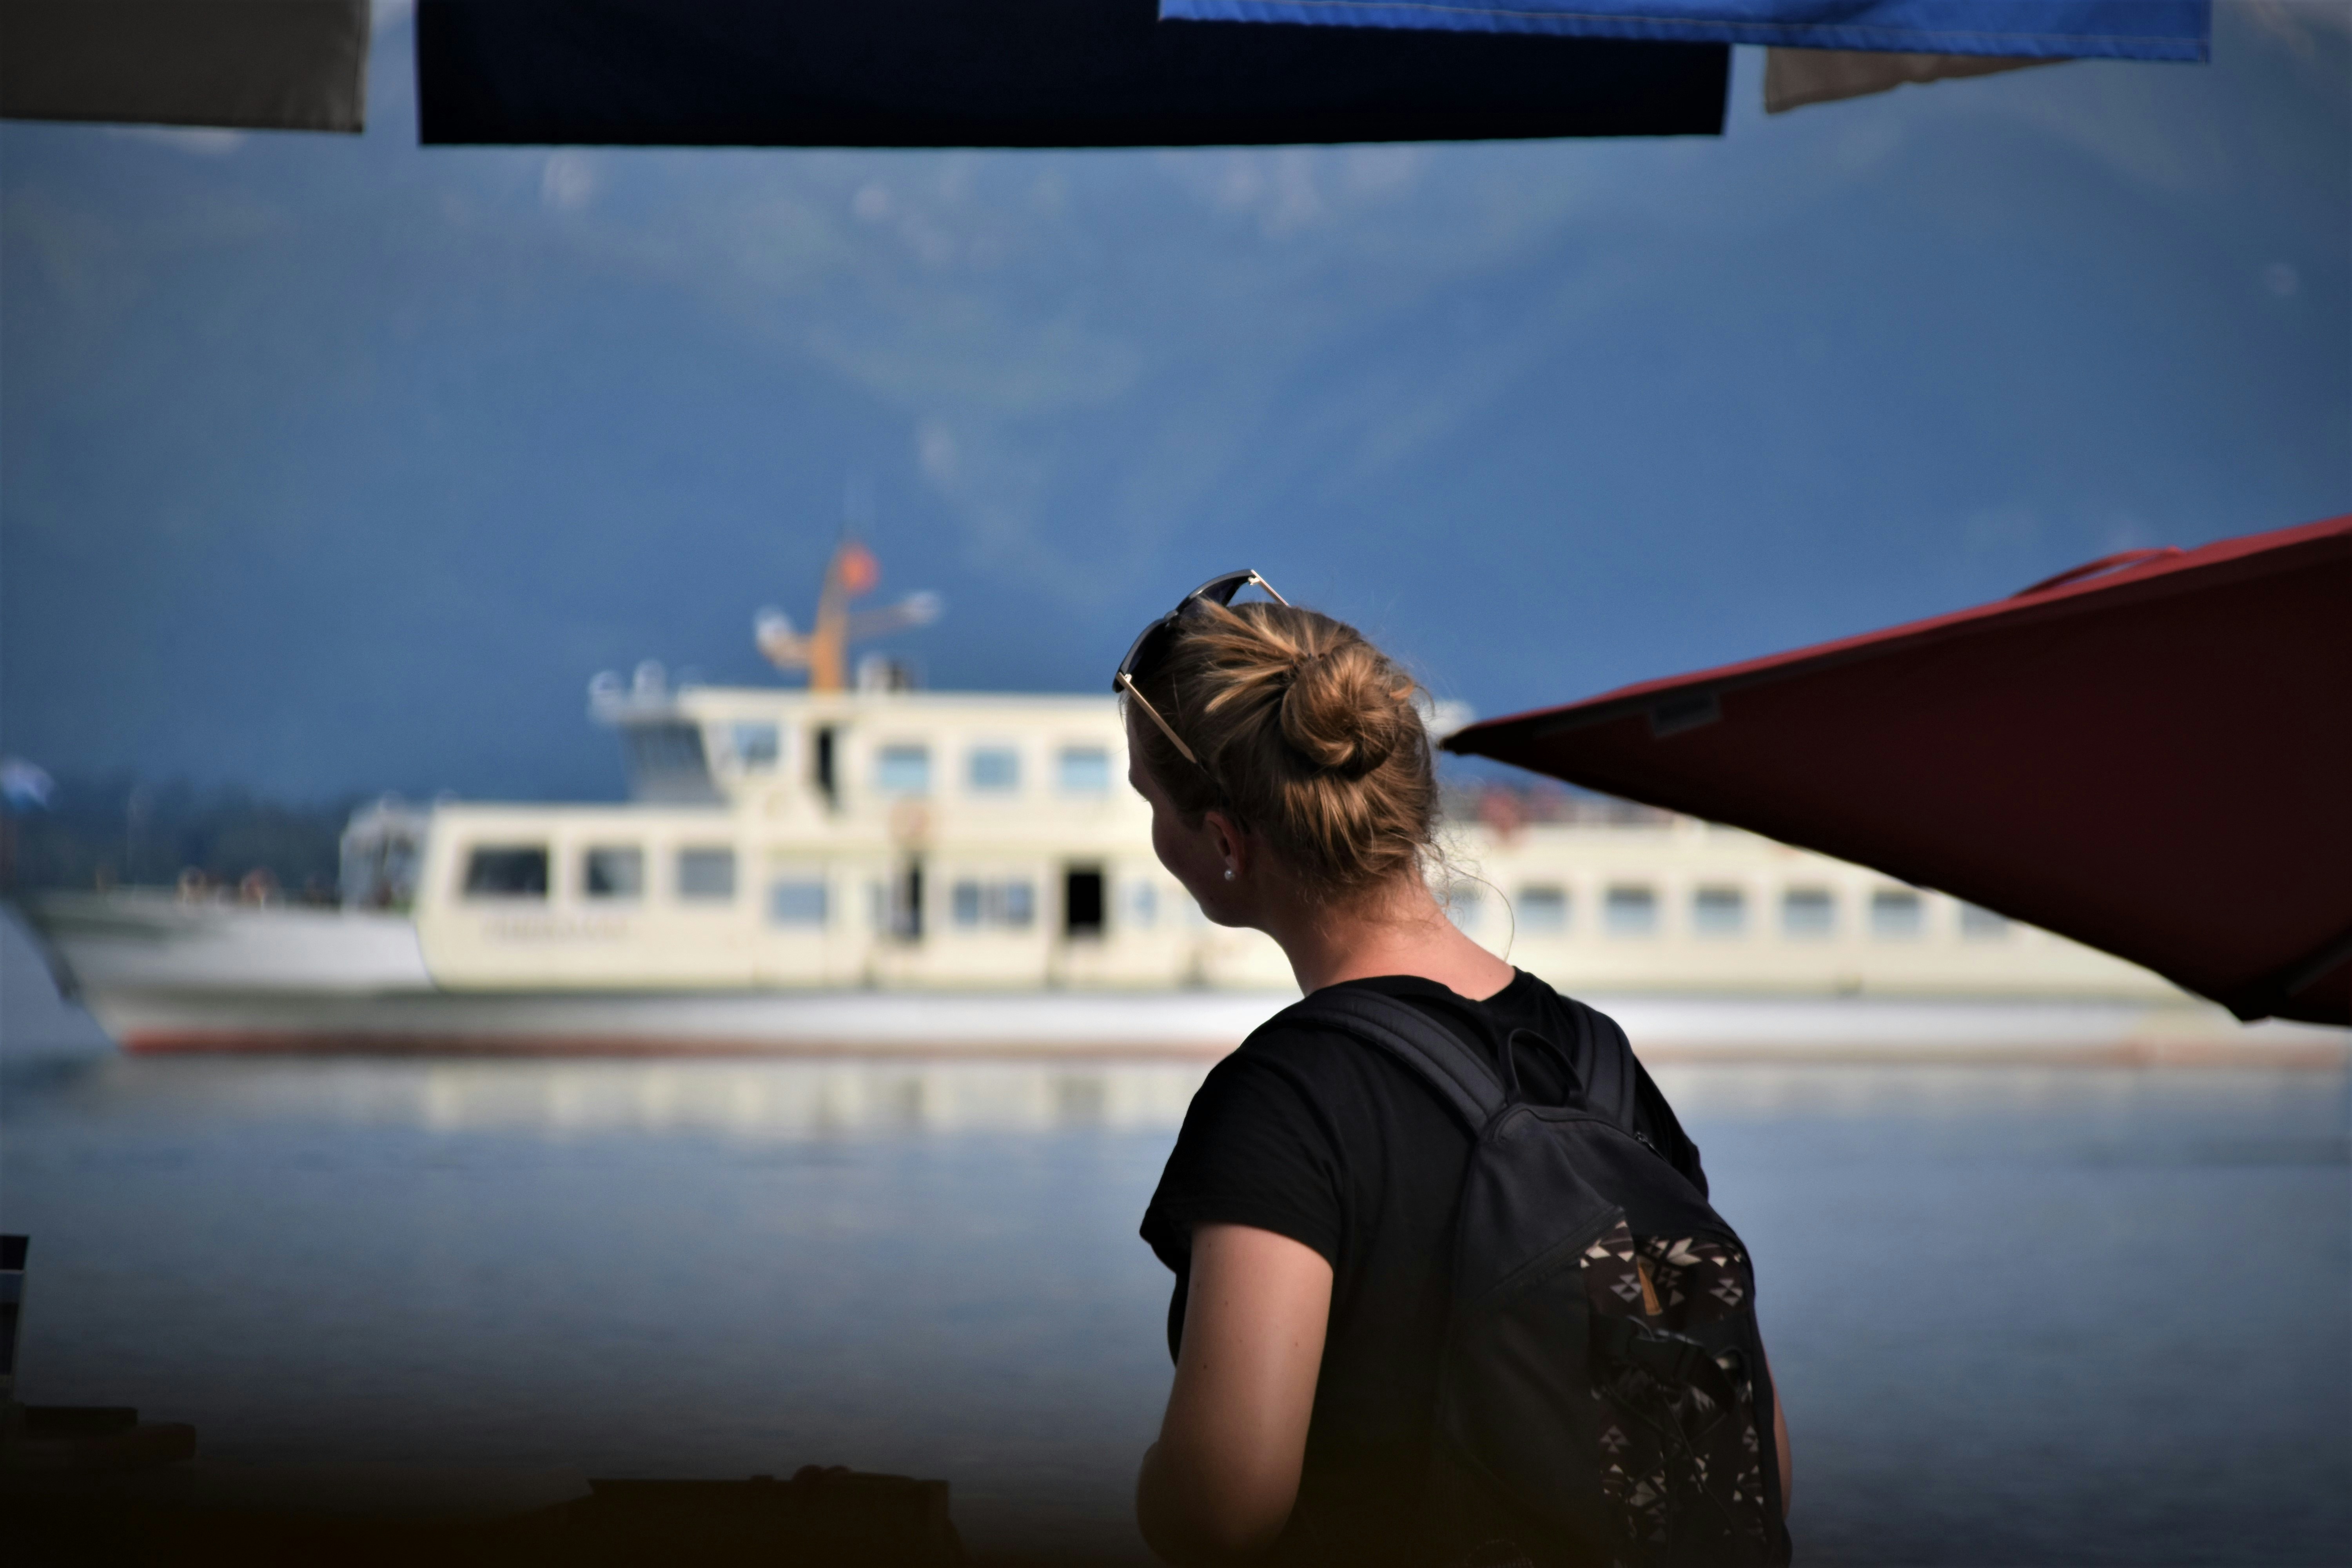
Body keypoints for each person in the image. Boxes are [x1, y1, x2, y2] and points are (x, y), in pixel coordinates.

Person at [1119, 574, 1791, 1566]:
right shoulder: (1597, 1058)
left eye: (1148, 800)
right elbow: (1757, 1447)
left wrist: (1153, 1481)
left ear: (1224, 840)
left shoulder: (1287, 1097)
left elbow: (1226, 1505)